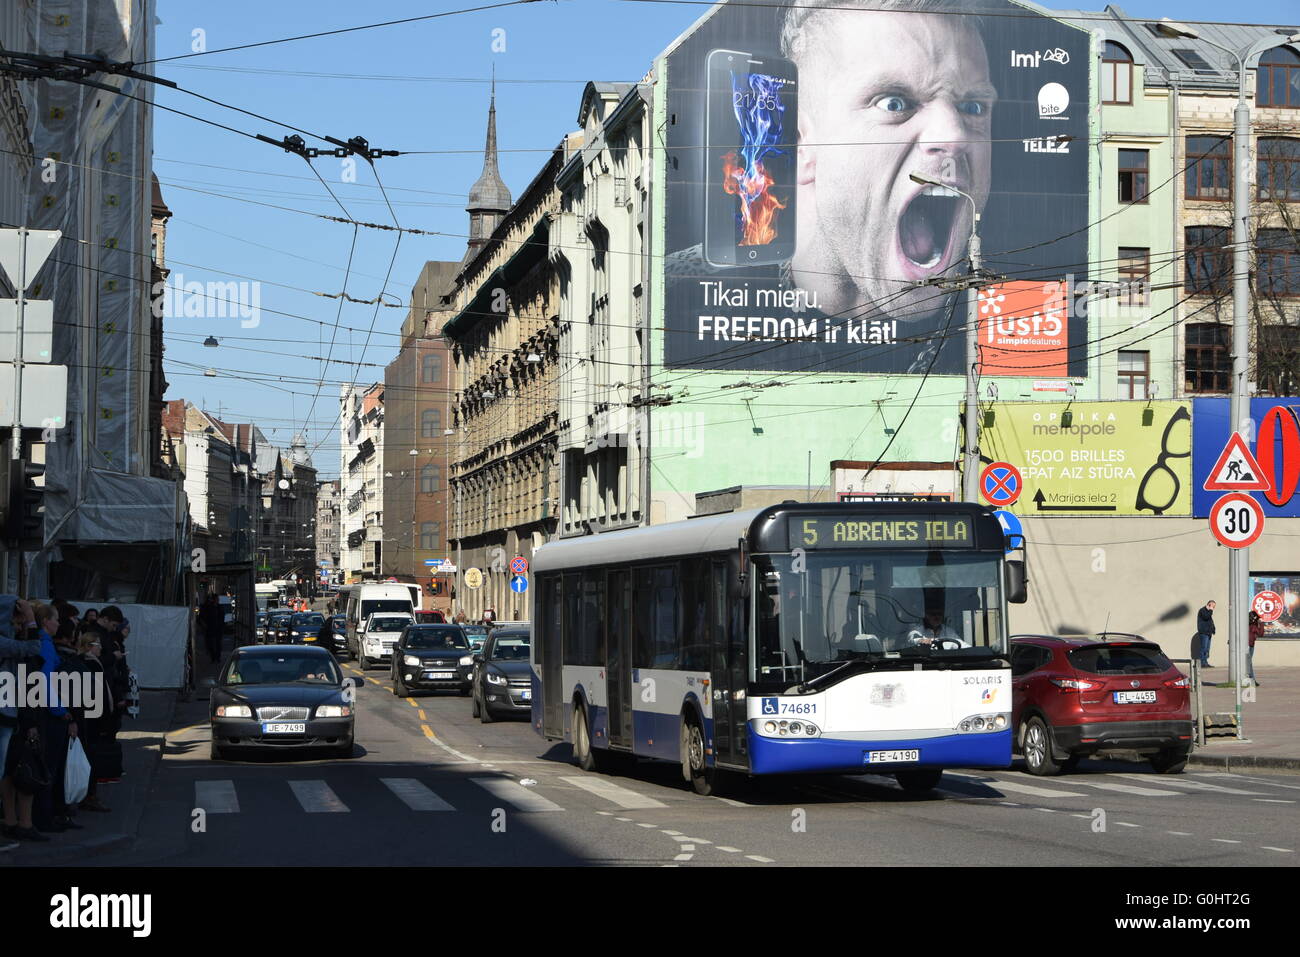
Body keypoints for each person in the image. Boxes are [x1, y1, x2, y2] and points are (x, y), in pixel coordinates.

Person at [0, 597, 43, 850]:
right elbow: (35, 648)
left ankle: (11, 823)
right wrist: (30, 618)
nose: (18, 624)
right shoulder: (4, 643)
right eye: (13, 618)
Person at [77, 631, 112, 812]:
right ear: (90, 646)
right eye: (98, 644)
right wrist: (104, 719)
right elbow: (97, 695)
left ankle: (87, 794)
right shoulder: (92, 664)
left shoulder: (85, 662)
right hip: (93, 719)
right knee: (92, 758)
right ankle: (90, 795)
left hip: (88, 718)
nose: (101, 648)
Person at [1196, 599, 1216, 668]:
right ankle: (1202, 663)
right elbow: (1206, 617)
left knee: (1207, 649)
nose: (1213, 608)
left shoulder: (1208, 612)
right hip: (1204, 632)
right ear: (1209, 604)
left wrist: (1213, 629)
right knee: (1203, 648)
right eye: (1213, 606)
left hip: (1208, 633)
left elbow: (1210, 621)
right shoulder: (1202, 610)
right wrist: (1210, 610)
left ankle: (1205, 662)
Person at [1247, 610, 1264, 686]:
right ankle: (1252, 680)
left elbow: (1260, 634)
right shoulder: (1248, 624)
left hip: (1251, 645)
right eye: (1255, 618)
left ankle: (1250, 679)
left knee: (1248, 662)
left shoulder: (1254, 625)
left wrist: (1261, 624)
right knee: (1249, 662)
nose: (1256, 619)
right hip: (1247, 645)